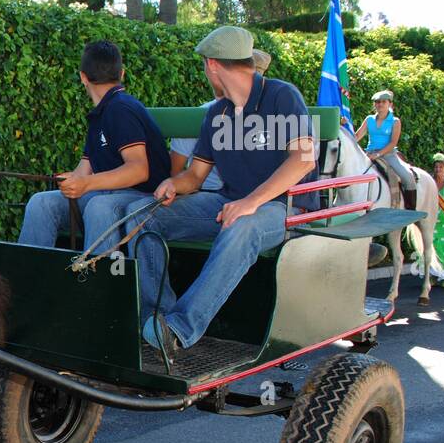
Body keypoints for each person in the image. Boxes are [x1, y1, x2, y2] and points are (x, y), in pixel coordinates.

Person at [125, 26, 318, 355]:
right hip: (230, 201)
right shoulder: (217, 113)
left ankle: (181, 328)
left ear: (212, 65)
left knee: (241, 224)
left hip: (286, 209)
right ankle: (156, 318)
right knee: (140, 215)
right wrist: (174, 183)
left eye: (204, 66)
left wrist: (250, 202)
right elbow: (196, 176)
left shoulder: (281, 95)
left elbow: (302, 161)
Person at [18, 40, 170, 253]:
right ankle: (27, 280)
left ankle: (97, 282)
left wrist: (87, 183)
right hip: (108, 192)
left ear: (83, 77)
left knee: (99, 207)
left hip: (144, 196)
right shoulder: (99, 115)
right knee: (41, 203)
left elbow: (139, 169)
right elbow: (84, 169)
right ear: (122, 74)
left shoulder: (122, 109)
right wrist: (71, 181)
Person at [167, 49, 271, 192]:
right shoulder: (202, 114)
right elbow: (177, 173)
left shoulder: (274, 109)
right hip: (207, 195)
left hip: (255, 199)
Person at [355, 89, 417, 210]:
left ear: (390, 104)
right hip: (369, 154)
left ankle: (410, 211)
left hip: (389, 155)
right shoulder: (369, 119)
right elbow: (356, 137)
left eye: (384, 101)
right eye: (377, 102)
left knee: (408, 178)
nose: (380, 104)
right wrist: (343, 126)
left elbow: (393, 142)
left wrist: (378, 154)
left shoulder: (395, 121)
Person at [412, 152, 444, 287]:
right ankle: (433, 276)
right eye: (436, 167)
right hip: (432, 218)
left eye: (441, 167)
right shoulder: (429, 183)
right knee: (431, 246)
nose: (438, 170)